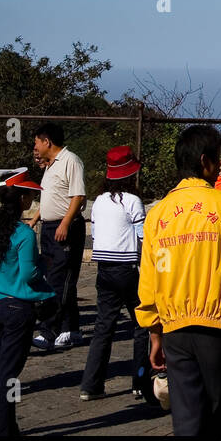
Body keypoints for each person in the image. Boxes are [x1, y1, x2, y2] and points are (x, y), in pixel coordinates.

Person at [137, 125, 221, 436]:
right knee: (214, 415)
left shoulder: (158, 214)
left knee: (187, 417)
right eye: (219, 160)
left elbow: (149, 282)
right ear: (205, 161)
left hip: (175, 327)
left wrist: (155, 336)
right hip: (220, 326)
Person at [0, 171, 53, 435]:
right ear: (22, 198)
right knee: (8, 374)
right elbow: (28, 274)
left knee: (0, 370)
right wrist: (43, 265)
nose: (33, 199)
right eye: (31, 194)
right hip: (18, 308)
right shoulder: (24, 234)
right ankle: (0, 429)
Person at [80, 146, 150, 402]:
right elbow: (144, 239)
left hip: (104, 270)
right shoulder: (132, 201)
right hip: (128, 269)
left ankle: (91, 384)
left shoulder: (98, 202)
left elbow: (97, 235)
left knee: (103, 328)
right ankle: (140, 381)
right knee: (142, 324)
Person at [29, 123, 87, 350]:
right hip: (49, 227)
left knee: (58, 279)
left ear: (47, 141)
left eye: (36, 142)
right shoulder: (50, 165)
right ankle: (70, 328)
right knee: (61, 279)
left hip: (66, 227)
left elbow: (78, 195)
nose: (35, 147)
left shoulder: (70, 160)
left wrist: (65, 222)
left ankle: (49, 330)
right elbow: (52, 196)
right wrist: (35, 219)